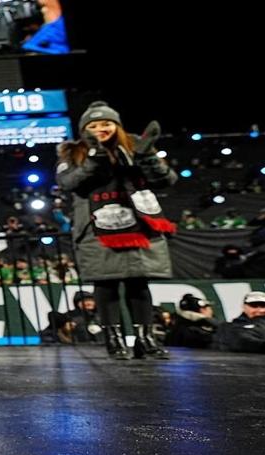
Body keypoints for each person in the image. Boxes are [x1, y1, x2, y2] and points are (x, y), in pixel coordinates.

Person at [56, 101, 177, 360]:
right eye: (94, 125)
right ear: (84, 129)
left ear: (116, 125)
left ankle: (145, 338)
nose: (101, 129)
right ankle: (113, 339)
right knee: (106, 284)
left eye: (107, 123)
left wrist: (146, 157)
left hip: (137, 222)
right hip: (96, 227)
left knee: (138, 282)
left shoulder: (135, 146)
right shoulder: (73, 151)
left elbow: (166, 180)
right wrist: (95, 159)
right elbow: (69, 183)